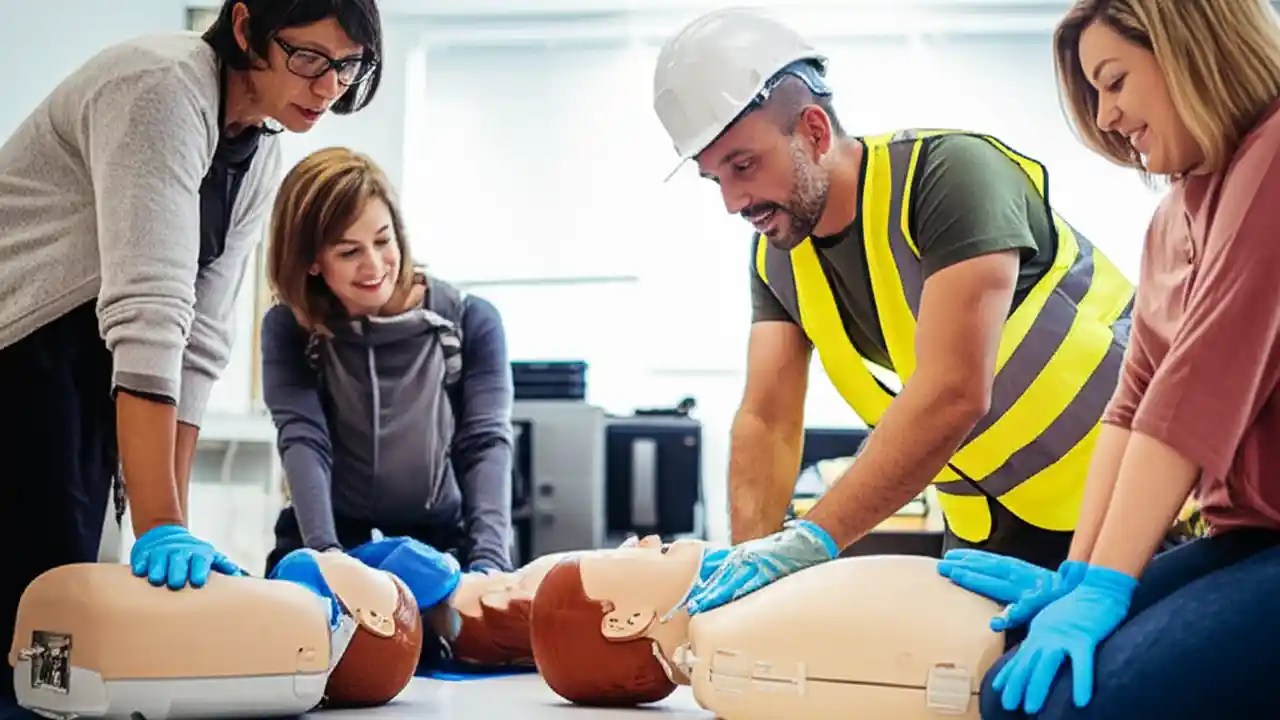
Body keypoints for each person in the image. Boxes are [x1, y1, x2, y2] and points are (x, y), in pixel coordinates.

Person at [649, 7, 1136, 615]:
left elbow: (954, 391)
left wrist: (808, 541)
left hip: (1132, 501)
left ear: (815, 131)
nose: (732, 201)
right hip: (996, 531)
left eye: (743, 166)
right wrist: (751, 568)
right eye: (713, 177)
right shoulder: (779, 257)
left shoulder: (949, 176)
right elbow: (767, 421)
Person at [0, 0, 383, 713]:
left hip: (89, 354)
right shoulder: (160, 88)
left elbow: (199, 342)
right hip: (22, 342)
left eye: (347, 66)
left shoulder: (259, 148)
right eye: (308, 59)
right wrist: (160, 522)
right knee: (34, 604)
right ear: (245, 28)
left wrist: (171, 525)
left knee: (60, 610)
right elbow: (150, 312)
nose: (328, 86)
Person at [936, 1, 1280, 717]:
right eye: (1095, 94)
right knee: (1012, 690)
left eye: (1115, 81)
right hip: (1248, 535)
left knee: (1084, 706)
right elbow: (1134, 405)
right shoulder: (1171, 220)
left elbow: (1195, 390)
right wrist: (1080, 571)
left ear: (1189, 51)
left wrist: (1109, 586)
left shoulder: (1274, 157)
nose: (1107, 116)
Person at [259, 146, 516, 578]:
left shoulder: (470, 321)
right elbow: (304, 439)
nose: (374, 265)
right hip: (327, 535)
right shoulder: (290, 329)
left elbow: (485, 444)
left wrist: (489, 563)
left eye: (383, 241)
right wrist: (327, 557)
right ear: (313, 263)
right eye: (348, 252)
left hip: (439, 541)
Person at [529, 541, 1026, 718]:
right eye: (618, 554)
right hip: (1021, 665)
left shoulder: (741, 629)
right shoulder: (731, 659)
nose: (645, 539)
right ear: (624, 620)